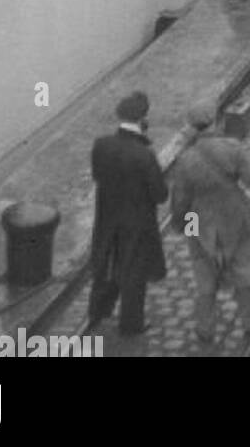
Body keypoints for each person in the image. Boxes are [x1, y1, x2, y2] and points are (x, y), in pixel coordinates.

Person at [169, 101, 250, 346]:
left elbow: (180, 201)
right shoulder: (233, 147)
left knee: (203, 273)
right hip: (236, 214)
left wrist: (182, 226)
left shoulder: (185, 159)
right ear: (216, 121)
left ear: (191, 127)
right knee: (244, 269)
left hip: (197, 220)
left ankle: (205, 329)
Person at [87, 91, 168, 337]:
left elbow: (97, 176)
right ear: (143, 120)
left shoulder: (101, 145)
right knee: (133, 274)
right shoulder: (144, 155)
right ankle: (131, 324)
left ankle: (98, 310)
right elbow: (160, 195)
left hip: (107, 218)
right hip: (136, 224)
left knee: (105, 264)